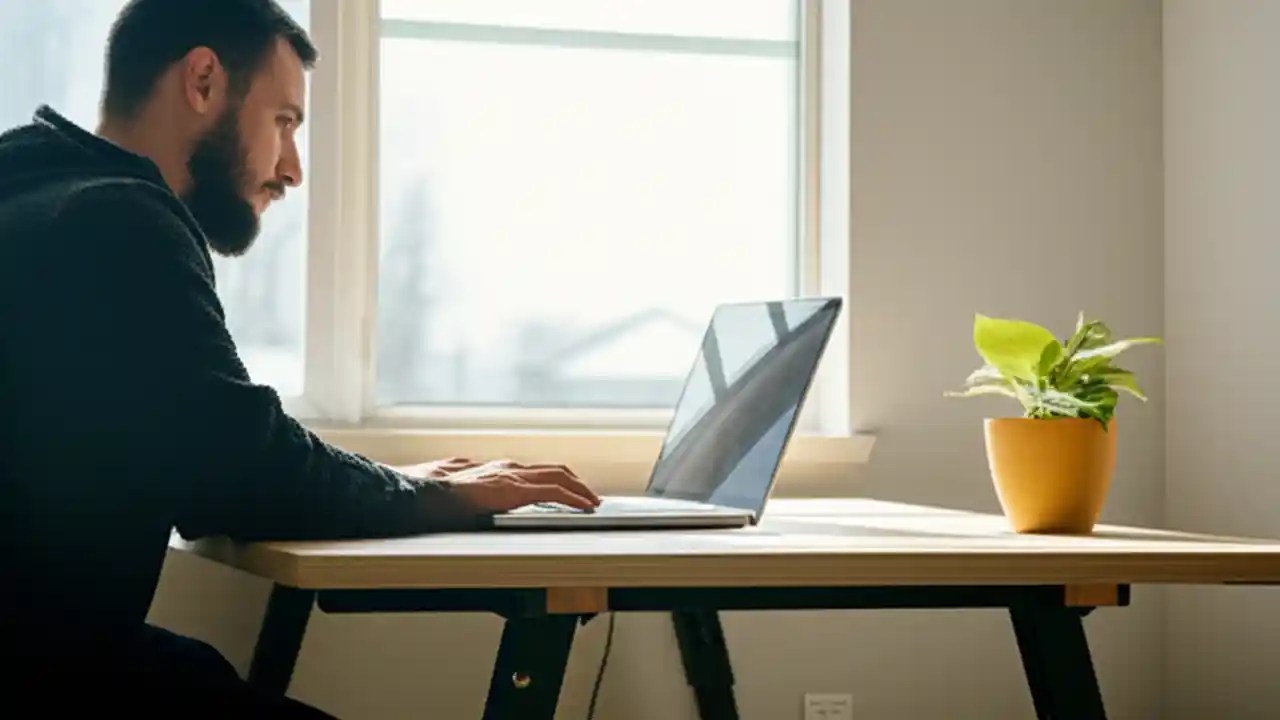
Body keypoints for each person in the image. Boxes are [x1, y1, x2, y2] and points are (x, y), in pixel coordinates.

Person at [0, 0, 600, 716]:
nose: (291, 169)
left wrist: (391, 481)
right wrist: (436, 494)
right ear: (202, 81)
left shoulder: (28, 183)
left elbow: (206, 446)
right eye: (283, 121)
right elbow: (241, 472)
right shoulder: (118, 218)